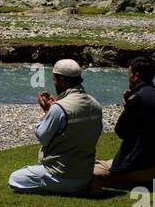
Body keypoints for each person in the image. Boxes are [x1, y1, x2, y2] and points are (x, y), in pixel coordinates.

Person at [90, 55, 155, 191]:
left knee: (90, 175)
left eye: (129, 74)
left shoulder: (138, 99)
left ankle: (139, 183)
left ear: (136, 76)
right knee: (100, 164)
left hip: (142, 165)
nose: (128, 78)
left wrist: (127, 107)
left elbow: (121, 131)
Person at [8, 59, 102, 195]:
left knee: (15, 178)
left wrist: (47, 112)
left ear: (62, 80)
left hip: (60, 175)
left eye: (55, 80)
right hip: (85, 175)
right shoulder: (96, 104)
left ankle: (63, 189)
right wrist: (52, 110)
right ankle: (83, 186)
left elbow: (42, 137)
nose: (55, 84)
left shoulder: (59, 108)